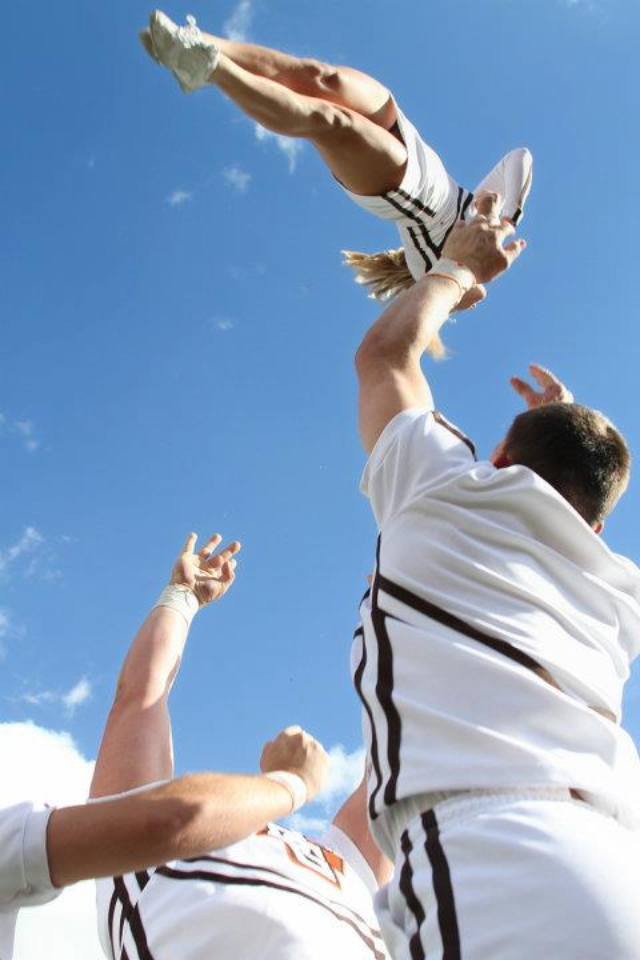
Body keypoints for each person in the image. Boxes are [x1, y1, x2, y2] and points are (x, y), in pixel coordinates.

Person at [351, 198, 640, 958]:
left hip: (497, 854)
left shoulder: (446, 489)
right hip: (619, 859)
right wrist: (574, 430)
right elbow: (573, 487)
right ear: (597, 524)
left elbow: (387, 357)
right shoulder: (617, 587)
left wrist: (457, 269)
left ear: (501, 459)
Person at [0, 533, 329, 960]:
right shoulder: (139, 859)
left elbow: (141, 697)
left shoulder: (347, 875)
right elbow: (169, 817)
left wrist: (183, 596)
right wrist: (293, 784)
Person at [138, 10, 533, 355]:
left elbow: (461, 294)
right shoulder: (482, 215)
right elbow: (520, 159)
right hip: (405, 131)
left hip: (405, 189)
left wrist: (471, 275)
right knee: (316, 76)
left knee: (329, 121)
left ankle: (209, 67)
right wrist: (506, 215)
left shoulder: (433, 263)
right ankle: (194, 41)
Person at [93, 531, 392, 960]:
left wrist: (397, 609)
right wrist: (181, 597)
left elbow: (399, 750)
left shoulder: (338, 867)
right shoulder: (144, 848)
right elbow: (139, 698)